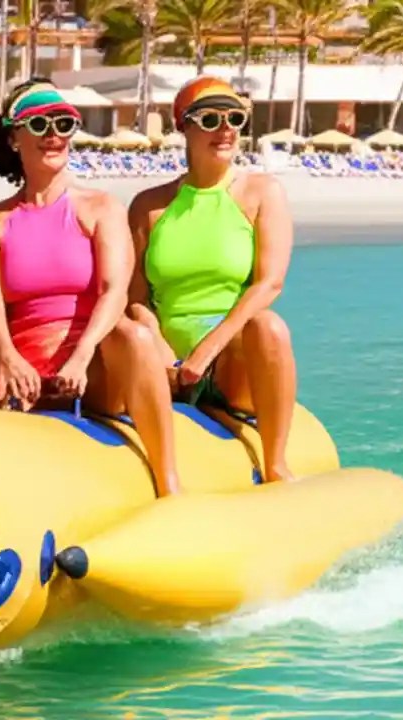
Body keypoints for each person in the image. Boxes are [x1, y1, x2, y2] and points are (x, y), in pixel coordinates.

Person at [0, 78, 181, 498]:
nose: (54, 135)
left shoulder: (100, 207)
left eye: (64, 124)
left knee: (135, 335)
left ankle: (168, 482)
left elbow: (114, 290)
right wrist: (8, 358)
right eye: (40, 124)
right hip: (24, 375)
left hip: (94, 372)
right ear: (15, 137)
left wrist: (82, 355)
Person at [127, 75, 298, 485]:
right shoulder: (149, 206)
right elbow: (134, 299)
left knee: (269, 326)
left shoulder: (260, 192)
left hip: (229, 364)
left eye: (234, 118)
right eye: (209, 119)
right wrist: (162, 352)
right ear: (183, 126)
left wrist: (205, 353)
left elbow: (269, 284)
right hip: (164, 365)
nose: (225, 130)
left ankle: (275, 464)